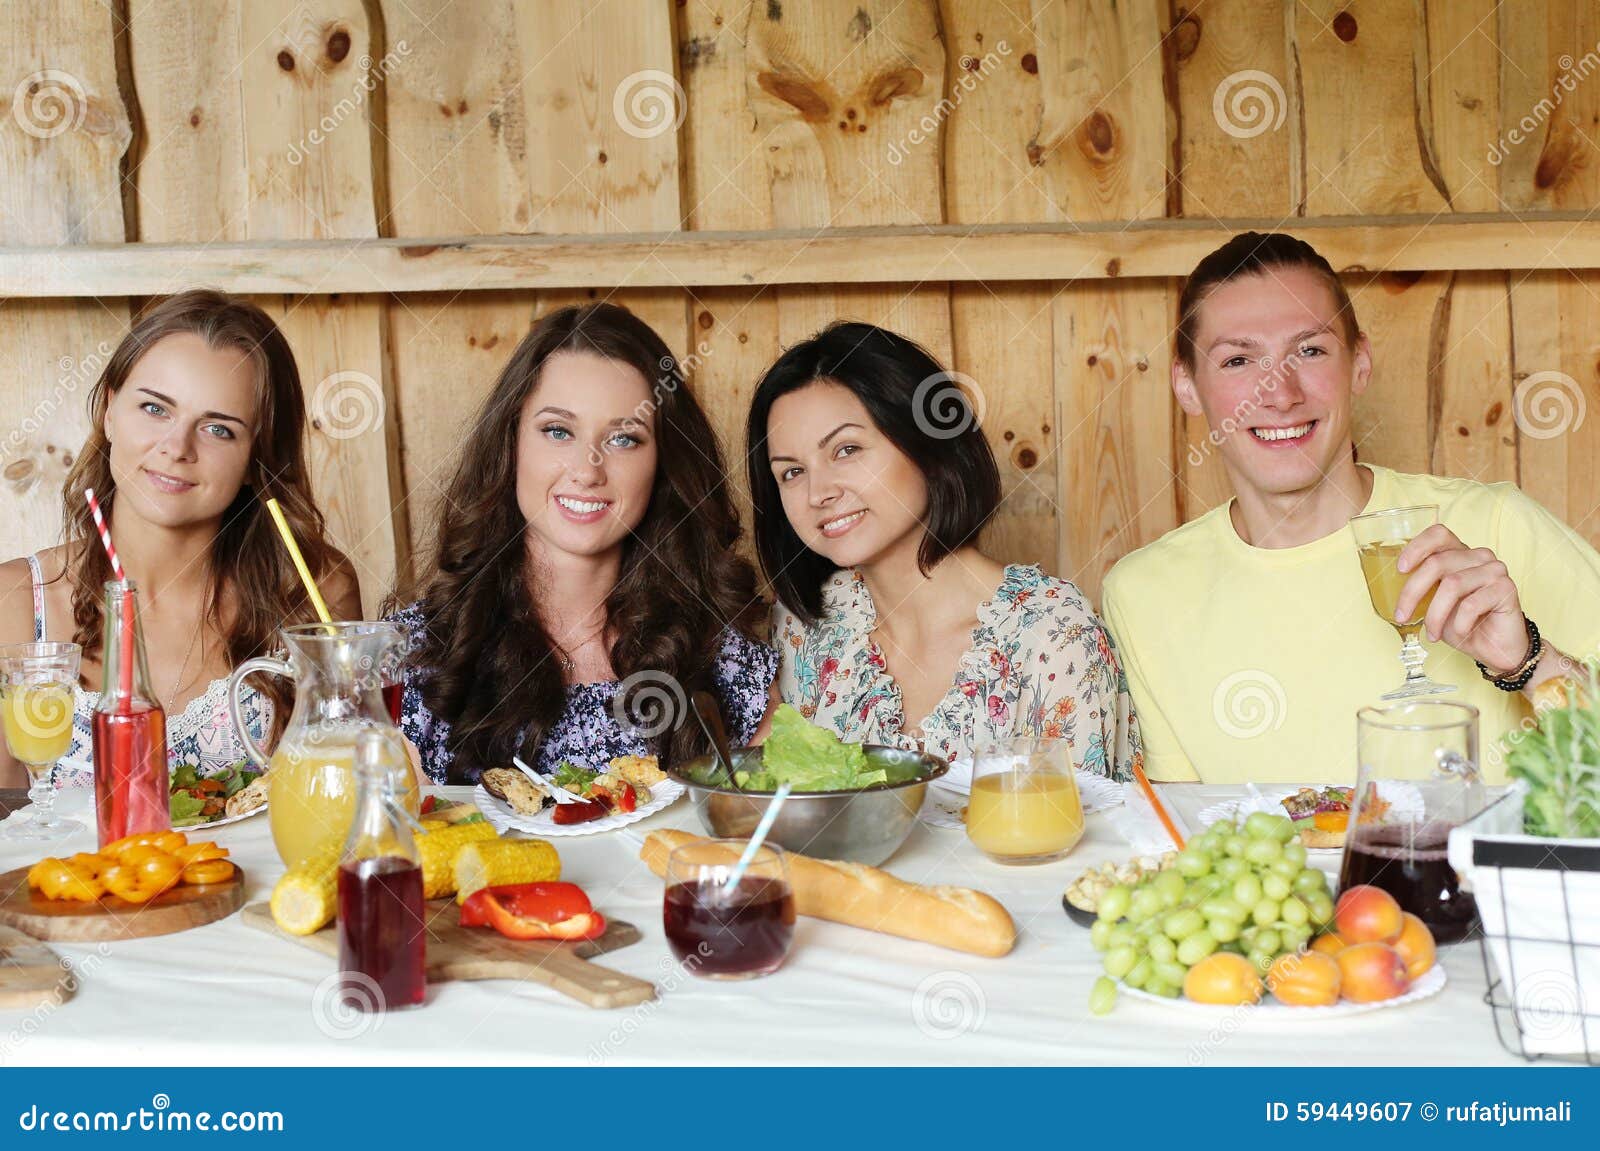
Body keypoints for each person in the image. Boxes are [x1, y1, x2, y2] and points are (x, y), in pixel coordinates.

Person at [1101, 231, 1600, 783]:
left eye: (1309, 350)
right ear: (1188, 387)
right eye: (1239, 359)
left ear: (1359, 364)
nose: (1280, 392)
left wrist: (1528, 661)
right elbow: (1185, 838)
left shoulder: (1499, 527)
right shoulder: (1142, 595)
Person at [394, 303, 777, 784]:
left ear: (663, 462)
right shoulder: (415, 655)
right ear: (510, 443)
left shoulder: (723, 657)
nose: (588, 470)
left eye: (624, 439)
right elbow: (388, 844)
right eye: (558, 431)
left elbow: (761, 838)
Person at [746, 321, 1140, 780]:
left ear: (927, 444)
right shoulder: (801, 629)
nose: (818, 492)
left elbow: (1078, 835)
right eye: (791, 472)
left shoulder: (1052, 636)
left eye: (847, 449)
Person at [0, 290, 361, 789]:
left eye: (219, 429)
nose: (176, 448)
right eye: (154, 408)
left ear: (259, 456)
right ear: (109, 413)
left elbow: (341, 796)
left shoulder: (314, 592)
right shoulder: (15, 602)